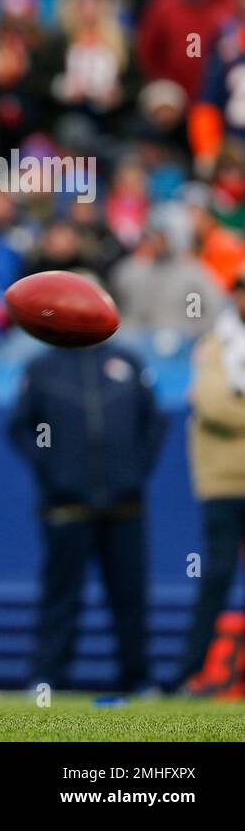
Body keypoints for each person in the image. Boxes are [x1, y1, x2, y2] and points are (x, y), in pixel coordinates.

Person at [7, 338, 167, 693]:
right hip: (67, 504)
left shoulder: (128, 362)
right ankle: (48, 677)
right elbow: (21, 427)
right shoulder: (43, 367)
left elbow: (155, 422)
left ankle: (137, 678)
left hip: (125, 504)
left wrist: (133, 472)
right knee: (61, 596)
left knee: (129, 596)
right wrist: (53, 469)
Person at [174, 268, 245, 692]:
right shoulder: (215, 345)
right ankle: (190, 671)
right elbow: (214, 406)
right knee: (215, 578)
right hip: (222, 482)